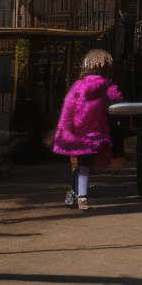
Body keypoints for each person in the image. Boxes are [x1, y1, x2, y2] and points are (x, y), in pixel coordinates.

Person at [52, 49, 123, 213]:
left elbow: (67, 108)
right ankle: (82, 197)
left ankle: (75, 193)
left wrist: (63, 130)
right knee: (85, 166)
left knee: (78, 164)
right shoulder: (106, 85)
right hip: (95, 135)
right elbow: (115, 99)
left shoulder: (77, 86)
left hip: (76, 134)